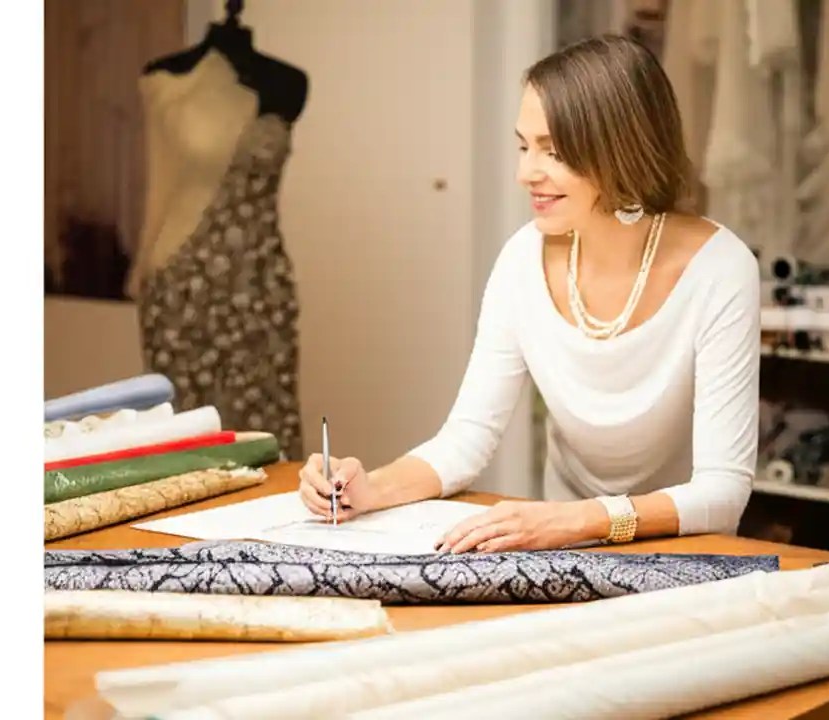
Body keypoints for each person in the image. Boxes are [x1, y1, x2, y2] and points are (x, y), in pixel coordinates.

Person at [299, 34, 761, 554]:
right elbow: (466, 440)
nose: (526, 174)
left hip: (682, 552)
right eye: (524, 146)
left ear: (621, 148)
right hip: (554, 552)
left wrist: (574, 521)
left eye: (554, 151)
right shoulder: (523, 259)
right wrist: (370, 489)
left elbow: (723, 494)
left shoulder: (721, 268)